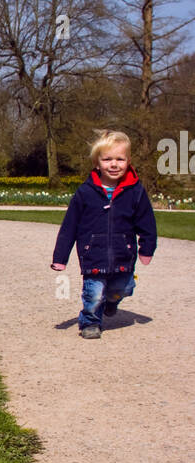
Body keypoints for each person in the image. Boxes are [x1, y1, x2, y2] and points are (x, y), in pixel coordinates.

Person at [51, 130, 156, 339]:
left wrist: (147, 247)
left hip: (123, 254)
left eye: (120, 159)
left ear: (128, 161)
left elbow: (147, 223)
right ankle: (90, 322)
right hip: (93, 255)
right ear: (97, 163)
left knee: (124, 287)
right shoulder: (85, 193)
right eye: (107, 159)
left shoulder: (135, 191)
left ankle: (111, 301)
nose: (114, 164)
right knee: (93, 293)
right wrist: (60, 258)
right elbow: (69, 227)